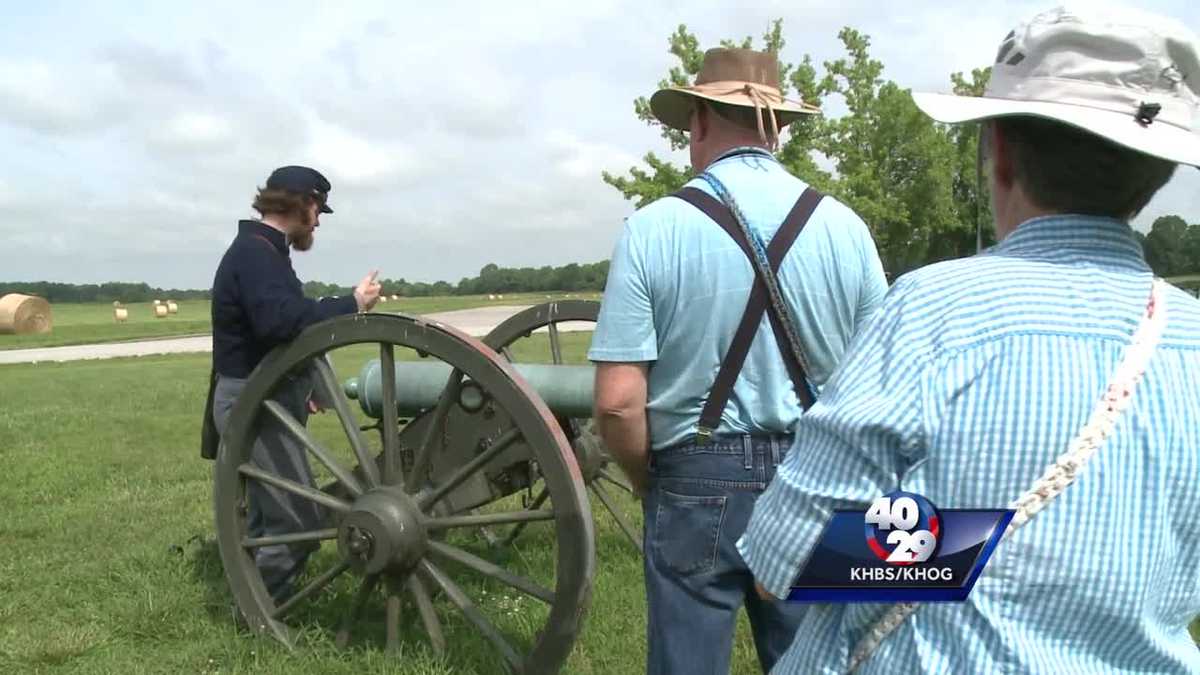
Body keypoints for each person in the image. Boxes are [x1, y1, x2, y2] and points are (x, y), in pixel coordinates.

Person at [738, 6, 1200, 673]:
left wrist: (966, 547)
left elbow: (789, 556)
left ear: (1000, 150)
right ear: (1155, 174)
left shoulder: (935, 312)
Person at [589, 48, 889, 674]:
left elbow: (618, 402)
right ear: (779, 126)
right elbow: (880, 387)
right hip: (818, 477)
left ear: (697, 122)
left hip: (693, 477)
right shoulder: (845, 228)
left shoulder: (652, 229)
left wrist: (651, 480)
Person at [202, 165, 382, 602]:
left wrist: (307, 383)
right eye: (318, 208)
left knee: (271, 515)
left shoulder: (265, 250)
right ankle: (259, 611)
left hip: (267, 395)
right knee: (297, 522)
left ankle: (254, 592)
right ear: (302, 203)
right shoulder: (255, 253)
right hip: (254, 401)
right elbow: (280, 322)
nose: (318, 220)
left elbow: (282, 330)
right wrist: (352, 304)